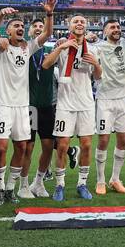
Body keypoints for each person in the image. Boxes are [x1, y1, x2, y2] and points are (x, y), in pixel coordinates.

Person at [0, 0, 54, 203]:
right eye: (15, 25)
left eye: (21, 25)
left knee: (22, 148)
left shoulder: (27, 48)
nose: (20, 27)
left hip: (23, 107)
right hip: (3, 105)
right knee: (1, 147)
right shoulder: (0, 47)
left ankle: (10, 188)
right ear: (7, 30)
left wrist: (49, 14)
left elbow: (46, 34)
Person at [43, 13, 102, 201]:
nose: (79, 24)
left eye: (82, 22)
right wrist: (61, 46)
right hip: (65, 104)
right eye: (75, 21)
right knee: (62, 146)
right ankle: (59, 185)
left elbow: (99, 77)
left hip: (86, 104)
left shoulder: (92, 49)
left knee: (86, 145)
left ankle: (82, 184)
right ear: (69, 26)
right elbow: (45, 65)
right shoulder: (61, 46)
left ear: (87, 26)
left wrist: (97, 65)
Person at [92, 17, 125, 194]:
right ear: (104, 31)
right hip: (105, 99)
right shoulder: (98, 47)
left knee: (123, 140)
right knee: (103, 140)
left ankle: (115, 179)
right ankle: (100, 180)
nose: (116, 29)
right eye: (112, 27)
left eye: (118, 27)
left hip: (124, 99)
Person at [24, 13, 58, 198]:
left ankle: (38, 183)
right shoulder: (24, 48)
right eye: (35, 26)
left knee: (48, 146)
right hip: (29, 104)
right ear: (30, 31)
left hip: (47, 104)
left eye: (41, 26)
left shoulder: (53, 48)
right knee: (26, 148)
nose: (38, 28)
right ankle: (22, 184)